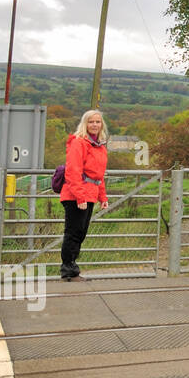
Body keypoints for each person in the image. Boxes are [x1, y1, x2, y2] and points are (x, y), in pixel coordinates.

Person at [60, 109, 109, 280]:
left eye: (97, 122)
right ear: (85, 124)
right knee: (73, 232)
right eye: (91, 122)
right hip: (76, 194)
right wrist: (79, 196)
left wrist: (102, 197)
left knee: (81, 232)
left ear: (101, 124)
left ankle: (72, 267)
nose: (94, 125)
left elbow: (98, 175)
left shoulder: (99, 145)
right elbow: (73, 170)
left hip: (90, 193)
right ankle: (68, 268)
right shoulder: (79, 142)